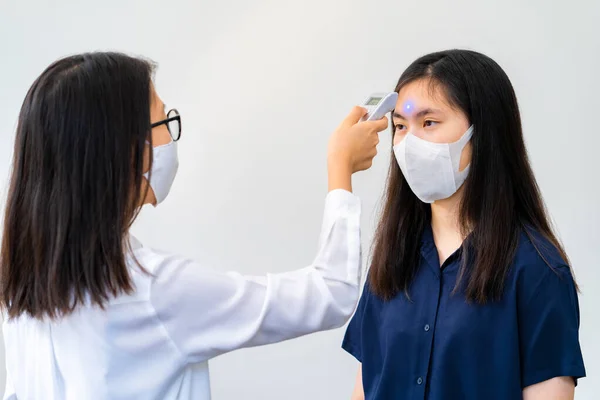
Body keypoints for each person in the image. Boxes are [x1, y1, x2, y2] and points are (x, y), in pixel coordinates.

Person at [0, 52, 388, 399]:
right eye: (162, 121)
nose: (170, 136)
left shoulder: (19, 292)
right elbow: (330, 294)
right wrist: (341, 168)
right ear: (123, 148)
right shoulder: (153, 290)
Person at [342, 49, 586, 400]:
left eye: (429, 123)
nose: (409, 144)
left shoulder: (538, 270)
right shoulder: (393, 258)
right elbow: (364, 388)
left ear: (482, 133)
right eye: (400, 126)